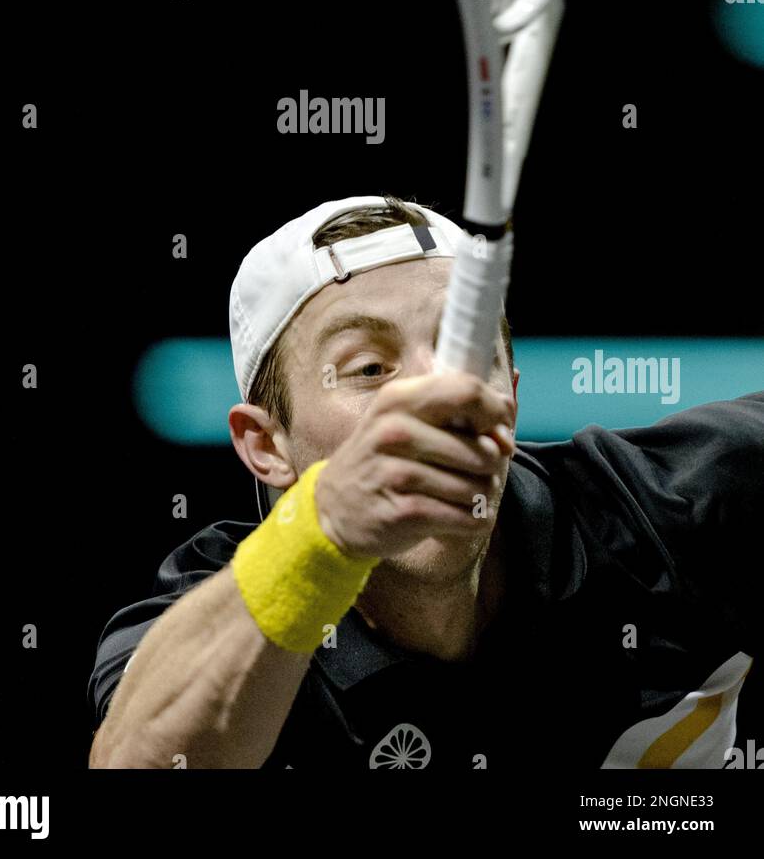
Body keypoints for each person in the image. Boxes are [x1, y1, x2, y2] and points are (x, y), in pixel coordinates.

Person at [87, 194, 763, 770]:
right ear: (266, 446)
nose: (431, 398)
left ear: (510, 398)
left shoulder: (674, 506)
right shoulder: (211, 625)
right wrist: (326, 532)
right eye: (369, 369)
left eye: (464, 355)